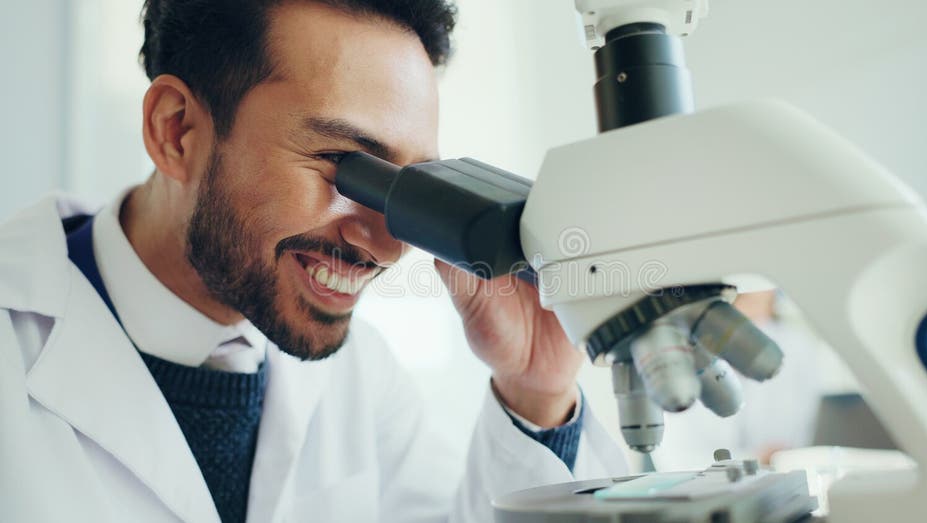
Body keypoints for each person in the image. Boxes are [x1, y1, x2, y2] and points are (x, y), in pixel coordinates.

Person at [0, 1, 627, 522]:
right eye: (345, 167)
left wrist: (535, 393)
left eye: (408, 187)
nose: (387, 245)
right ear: (177, 131)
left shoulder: (362, 379)